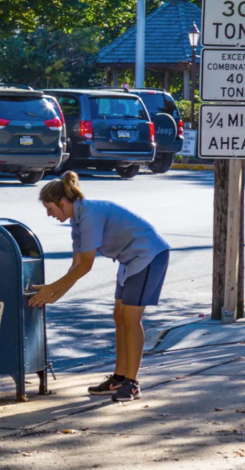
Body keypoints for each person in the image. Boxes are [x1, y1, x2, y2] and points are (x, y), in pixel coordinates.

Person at [29, 172, 169, 403]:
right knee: (119, 316)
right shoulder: (77, 220)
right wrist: (54, 295)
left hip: (148, 255)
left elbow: (86, 266)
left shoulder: (90, 215)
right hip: (129, 260)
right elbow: (76, 265)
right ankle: (119, 378)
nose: (49, 214)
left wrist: (51, 288)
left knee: (130, 318)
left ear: (62, 203)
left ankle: (132, 384)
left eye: (50, 208)